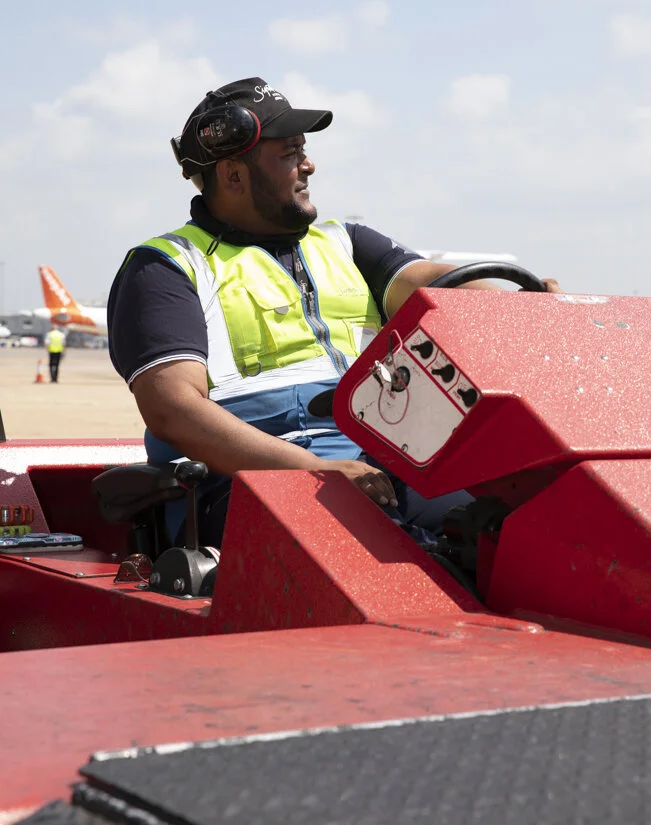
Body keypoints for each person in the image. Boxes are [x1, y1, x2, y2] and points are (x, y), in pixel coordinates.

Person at [108, 77, 561, 547]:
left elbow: (440, 287)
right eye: (288, 154)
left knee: (527, 524)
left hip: (381, 458)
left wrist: (525, 308)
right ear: (234, 176)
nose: (309, 164)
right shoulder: (166, 266)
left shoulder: (344, 241)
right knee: (412, 561)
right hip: (255, 483)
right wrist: (315, 470)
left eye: (302, 149)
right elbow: (174, 412)